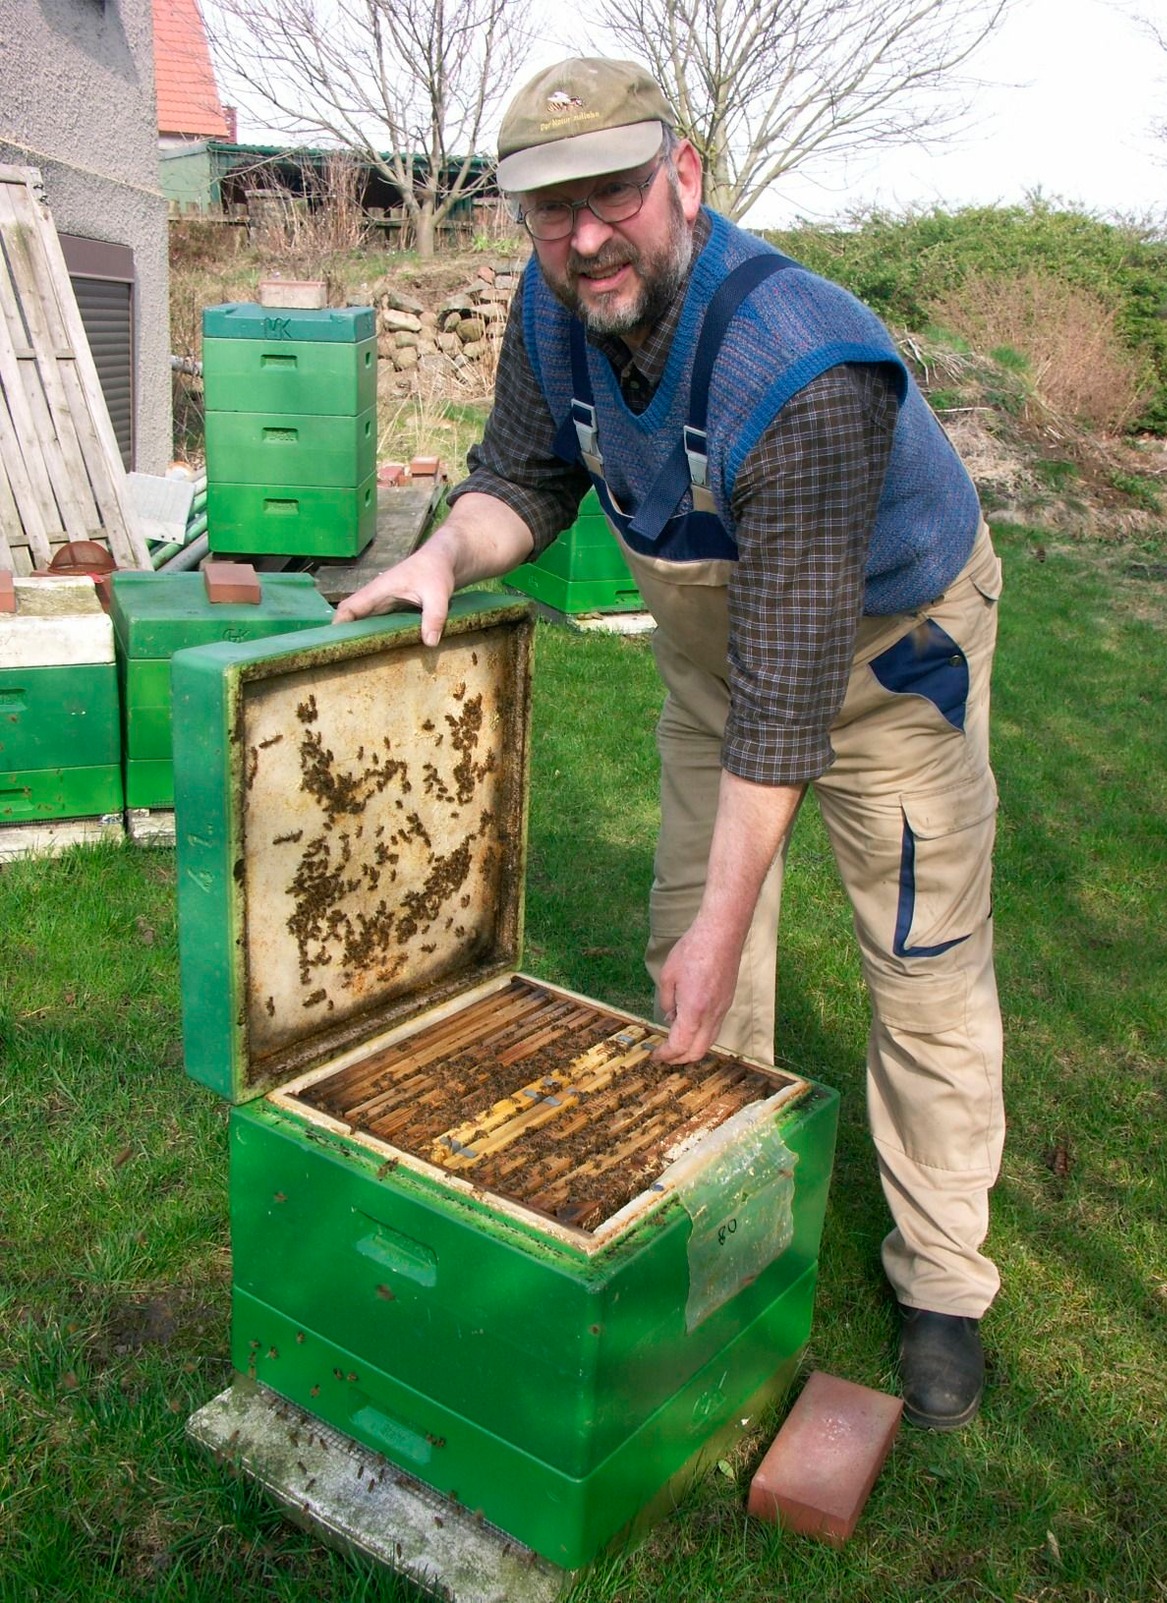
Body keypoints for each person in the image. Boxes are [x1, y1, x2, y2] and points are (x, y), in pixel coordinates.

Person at [335, 57, 1005, 1431]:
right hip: (718, 667)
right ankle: (714, 1220)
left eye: (615, 196)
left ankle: (942, 1280)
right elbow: (525, 477)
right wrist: (446, 552)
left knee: (923, 963)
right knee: (692, 956)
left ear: (684, 177)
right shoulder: (553, 303)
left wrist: (729, 914)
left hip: (892, 665)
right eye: (551, 209)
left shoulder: (803, 367)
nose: (586, 237)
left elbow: (790, 692)